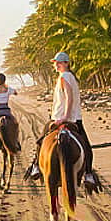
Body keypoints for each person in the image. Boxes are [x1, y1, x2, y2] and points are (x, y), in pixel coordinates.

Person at [25, 52, 98, 189]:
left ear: (66, 63)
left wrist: (64, 117)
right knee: (85, 145)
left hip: (62, 117)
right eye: (55, 63)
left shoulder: (64, 77)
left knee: (41, 139)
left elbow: (69, 98)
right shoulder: (71, 77)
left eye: (59, 63)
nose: (56, 65)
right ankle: (88, 174)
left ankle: (35, 165)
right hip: (76, 118)